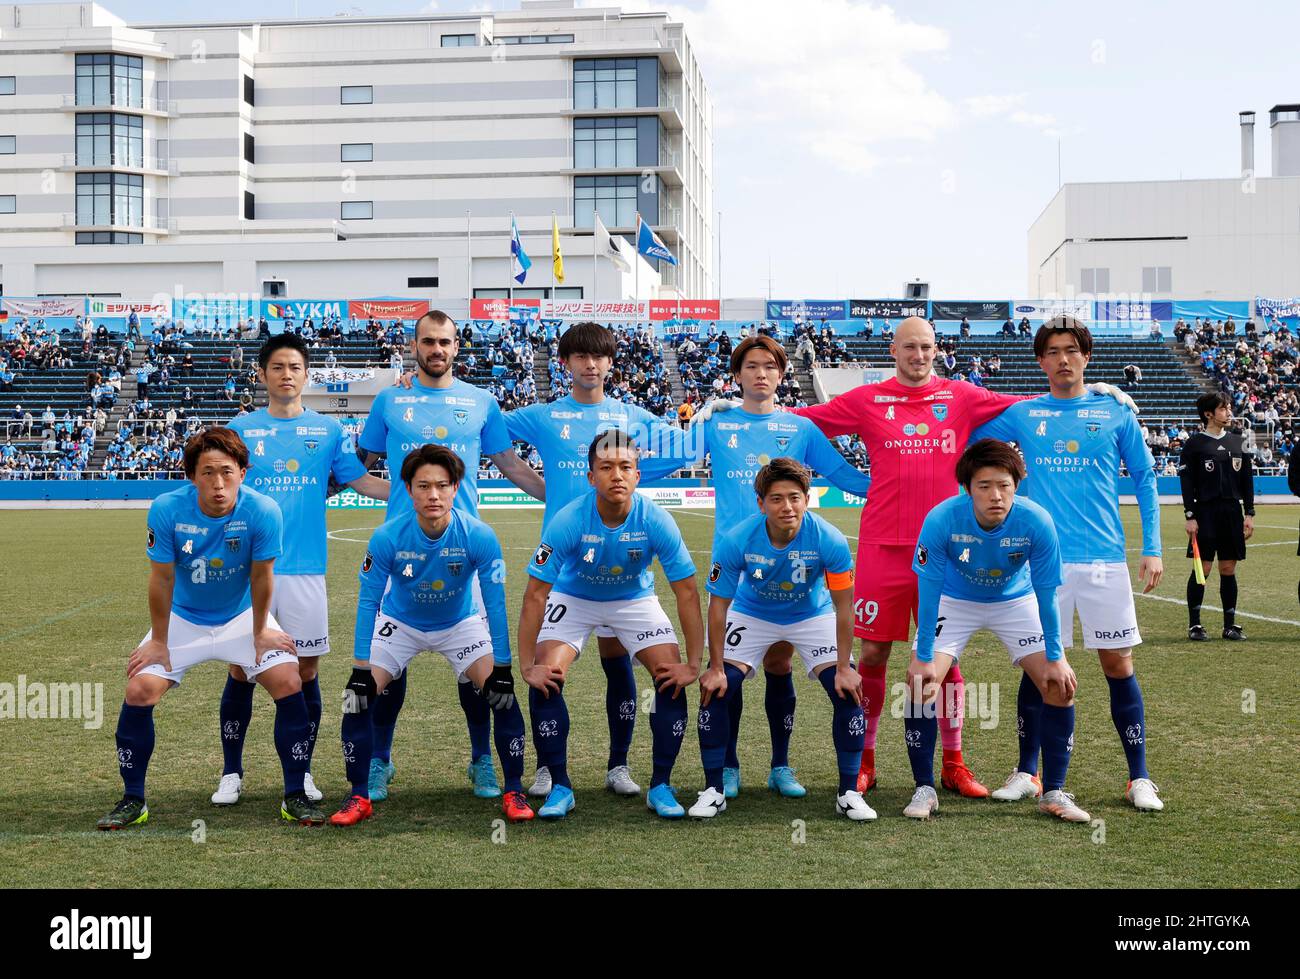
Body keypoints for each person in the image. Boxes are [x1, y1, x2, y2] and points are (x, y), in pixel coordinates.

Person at [972, 315, 1165, 812]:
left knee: (1117, 664)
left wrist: (1154, 546)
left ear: (1087, 357)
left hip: (1104, 560)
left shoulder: (1116, 412)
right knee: (1037, 668)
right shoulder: (1023, 413)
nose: (1063, 359)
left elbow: (1144, 478)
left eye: (1072, 350)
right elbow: (964, 423)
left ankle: (1139, 777)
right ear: (1040, 361)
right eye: (1053, 351)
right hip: (1040, 563)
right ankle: (1027, 772)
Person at [359, 310, 544, 801]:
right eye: (428, 341)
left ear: (457, 347)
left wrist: (561, 495)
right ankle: (380, 760)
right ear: (413, 345)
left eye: (444, 342)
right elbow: (361, 464)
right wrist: (328, 491)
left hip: (464, 553)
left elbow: (509, 465)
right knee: (386, 672)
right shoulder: (389, 400)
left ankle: (482, 759)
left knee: (475, 672)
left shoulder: (481, 402)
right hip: (401, 552)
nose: (436, 349)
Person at [502, 323, 690, 799]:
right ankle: (549, 769)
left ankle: (619, 764)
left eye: (599, 357)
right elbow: (485, 432)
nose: (590, 364)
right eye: (581, 356)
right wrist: (537, 487)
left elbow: (685, 448)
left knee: (618, 665)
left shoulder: (633, 416)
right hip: (567, 568)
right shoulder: (544, 415)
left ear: (610, 364)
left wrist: (720, 416)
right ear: (564, 363)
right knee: (550, 672)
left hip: (626, 575)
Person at [96, 428, 318, 829]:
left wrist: (261, 631)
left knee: (288, 680)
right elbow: (161, 579)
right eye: (208, 473)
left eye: (227, 472)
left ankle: (295, 794)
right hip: (183, 619)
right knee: (139, 689)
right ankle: (133, 799)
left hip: (241, 617)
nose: (218, 484)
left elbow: (262, 577)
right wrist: (160, 641)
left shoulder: (263, 510)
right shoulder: (166, 509)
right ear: (192, 475)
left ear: (243, 473)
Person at [682, 334, 872, 799]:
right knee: (729, 673)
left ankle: (780, 765)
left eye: (770, 365)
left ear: (782, 375)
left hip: (798, 580)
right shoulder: (717, 424)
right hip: (741, 570)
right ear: (737, 374)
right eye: (751, 366)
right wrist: (685, 423)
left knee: (780, 665)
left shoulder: (801, 428)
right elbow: (665, 457)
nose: (760, 373)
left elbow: (847, 475)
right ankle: (727, 766)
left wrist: (911, 487)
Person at [213, 333, 390, 806]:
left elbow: (359, 481)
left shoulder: (328, 431)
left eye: (294, 367)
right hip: (248, 570)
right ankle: (231, 772)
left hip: (306, 569)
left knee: (306, 672)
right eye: (277, 367)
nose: (286, 375)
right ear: (263, 375)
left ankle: (303, 769)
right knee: (241, 670)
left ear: (305, 374)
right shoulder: (240, 430)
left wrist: (414, 490)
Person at [330, 444, 532, 826]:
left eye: (442, 485)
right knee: (355, 698)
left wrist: (503, 665)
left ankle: (513, 789)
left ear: (456, 488)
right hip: (400, 624)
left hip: (459, 624)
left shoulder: (479, 536)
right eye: (423, 486)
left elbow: (496, 604)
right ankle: (359, 795)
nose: (433, 495)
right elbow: (367, 603)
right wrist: (360, 667)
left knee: (502, 695)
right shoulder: (387, 537)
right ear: (408, 489)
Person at [517, 430, 704, 819]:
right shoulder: (569, 520)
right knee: (547, 674)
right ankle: (560, 784)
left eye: (625, 467)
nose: (616, 475)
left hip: (632, 600)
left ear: (637, 475)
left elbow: (687, 592)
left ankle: (658, 785)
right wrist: (525, 664)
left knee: (669, 677)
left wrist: (693, 663)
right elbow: (536, 594)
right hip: (575, 597)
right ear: (590, 477)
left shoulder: (656, 519)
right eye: (606, 467)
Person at [906, 439, 1087, 822]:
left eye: (1004, 485)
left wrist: (1056, 656)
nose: (995, 495)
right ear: (967, 487)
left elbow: (1046, 593)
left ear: (1016, 485)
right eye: (984, 485)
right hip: (955, 601)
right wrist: (923, 656)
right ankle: (924, 788)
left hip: (1014, 601)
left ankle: (1053, 791)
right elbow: (929, 591)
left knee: (1059, 685)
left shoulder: (1036, 521)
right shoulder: (942, 519)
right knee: (921, 683)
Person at [693, 458, 873, 821]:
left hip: (811, 614)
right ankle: (715, 787)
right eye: (776, 499)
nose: (786, 506)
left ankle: (846, 792)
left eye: (794, 497)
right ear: (761, 504)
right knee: (719, 687)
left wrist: (843, 667)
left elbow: (843, 607)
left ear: (808, 498)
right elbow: (717, 606)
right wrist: (713, 667)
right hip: (752, 612)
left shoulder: (829, 539)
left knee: (848, 692)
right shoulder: (738, 539)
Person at [1178, 392, 1254, 641]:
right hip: (1206, 511)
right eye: (1223, 408)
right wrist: (1190, 515)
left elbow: (1247, 480)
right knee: (1204, 568)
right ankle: (1195, 625)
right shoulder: (1194, 444)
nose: (1228, 412)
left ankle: (1230, 625)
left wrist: (1249, 513)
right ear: (1209, 414)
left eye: (1229, 407)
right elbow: (1187, 483)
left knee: (1228, 568)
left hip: (1232, 511)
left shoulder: (1239, 441)